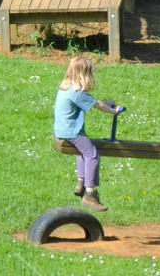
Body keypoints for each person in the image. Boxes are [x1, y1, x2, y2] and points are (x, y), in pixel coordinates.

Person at [53, 55, 124, 211]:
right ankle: (89, 194)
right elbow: (97, 104)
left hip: (61, 130)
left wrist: (107, 103)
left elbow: (94, 100)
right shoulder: (77, 92)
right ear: (85, 75)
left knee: (82, 152)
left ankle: (80, 183)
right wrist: (113, 111)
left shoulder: (66, 88)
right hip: (72, 132)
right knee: (92, 154)